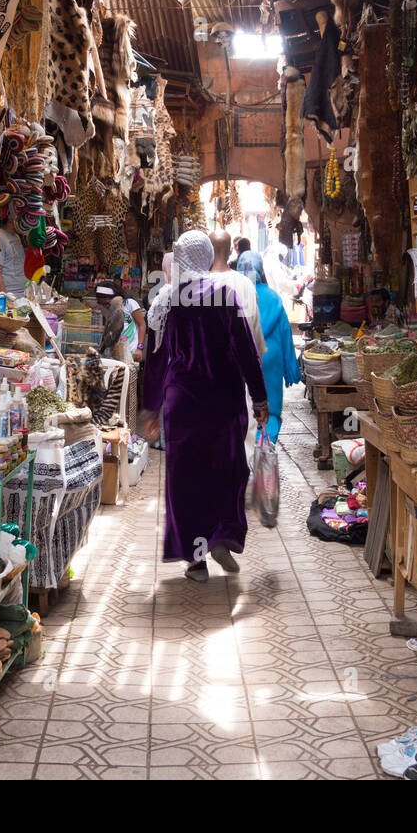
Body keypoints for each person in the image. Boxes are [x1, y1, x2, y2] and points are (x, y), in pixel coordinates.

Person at [141, 231, 269, 583]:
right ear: (205, 256)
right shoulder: (224, 295)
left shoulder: (165, 301)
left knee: (187, 481)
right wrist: (259, 398)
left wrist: (150, 409)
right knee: (227, 471)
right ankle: (221, 536)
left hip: (182, 406)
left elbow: (155, 362)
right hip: (224, 402)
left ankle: (195, 559)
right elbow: (245, 349)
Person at [236, 251, 300, 444]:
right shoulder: (273, 297)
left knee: (242, 405)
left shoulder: (233, 294)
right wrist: (291, 370)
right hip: (270, 358)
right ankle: (265, 442)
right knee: (270, 406)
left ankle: (246, 449)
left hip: (240, 358)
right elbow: (285, 333)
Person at [209, 230, 265, 356]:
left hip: (207, 367)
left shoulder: (198, 285)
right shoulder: (246, 284)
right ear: (230, 251)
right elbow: (254, 331)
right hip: (239, 365)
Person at [0, 208, 28, 297]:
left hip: (23, 293)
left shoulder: (16, 236)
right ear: (10, 216)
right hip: (11, 294)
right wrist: (6, 299)